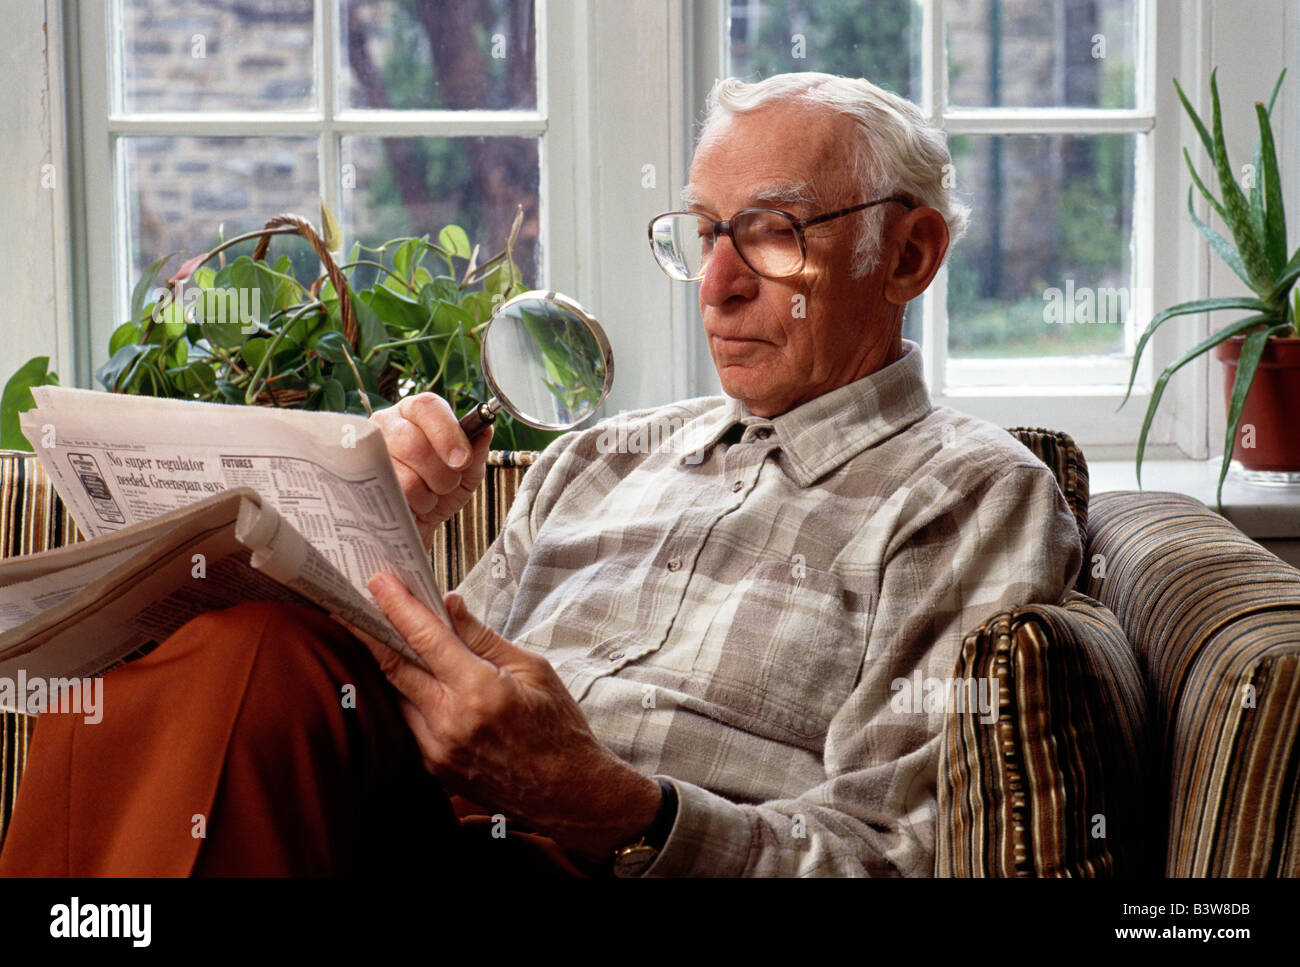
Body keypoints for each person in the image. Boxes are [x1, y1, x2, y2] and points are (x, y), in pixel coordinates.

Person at [0, 72, 1081, 878]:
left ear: (910, 255)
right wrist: (369, 543)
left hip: (598, 863)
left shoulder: (969, 494)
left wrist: (614, 803)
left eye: (775, 235)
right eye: (704, 233)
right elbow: (435, 696)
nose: (715, 286)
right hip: (422, 829)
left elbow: (898, 856)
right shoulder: (596, 457)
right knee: (216, 646)